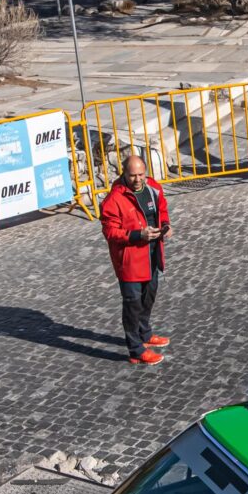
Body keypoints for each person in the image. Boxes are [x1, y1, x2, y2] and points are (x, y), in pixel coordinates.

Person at [98, 149, 171, 363]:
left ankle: (145, 334)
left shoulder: (154, 188)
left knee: (149, 296)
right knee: (132, 303)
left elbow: (162, 210)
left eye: (141, 175)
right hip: (130, 260)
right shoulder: (114, 200)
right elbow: (110, 232)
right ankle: (135, 349)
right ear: (124, 175)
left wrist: (165, 226)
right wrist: (138, 234)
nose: (138, 180)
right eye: (133, 176)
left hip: (152, 254)